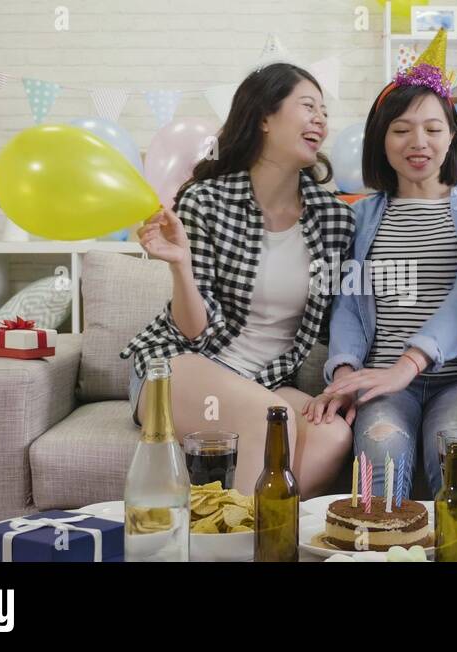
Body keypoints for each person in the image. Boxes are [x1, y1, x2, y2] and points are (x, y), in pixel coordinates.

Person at [120, 63, 356, 498]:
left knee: (332, 436)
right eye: (308, 106)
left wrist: (359, 377)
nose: (321, 119)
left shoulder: (335, 218)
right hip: (181, 366)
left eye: (324, 110)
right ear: (264, 117)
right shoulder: (206, 200)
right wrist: (180, 266)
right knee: (271, 416)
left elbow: (346, 317)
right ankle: (237, 543)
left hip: (263, 379)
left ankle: (259, 537)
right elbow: (192, 331)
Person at [306, 31, 457, 498]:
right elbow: (348, 306)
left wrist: (409, 363)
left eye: (433, 129)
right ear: (381, 139)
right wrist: (343, 375)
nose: (418, 141)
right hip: (382, 381)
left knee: (454, 454)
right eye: (401, 129)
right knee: (380, 457)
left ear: (452, 136)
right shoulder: (358, 217)